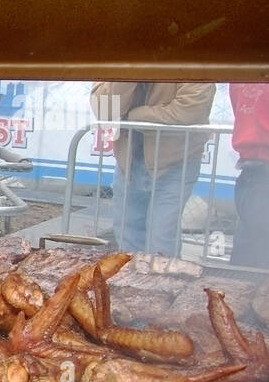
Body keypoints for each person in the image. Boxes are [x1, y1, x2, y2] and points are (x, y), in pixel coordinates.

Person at [90, 81, 216, 256]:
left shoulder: (192, 58)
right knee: (128, 235)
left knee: (161, 237)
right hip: (129, 160)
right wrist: (129, 72)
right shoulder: (119, 60)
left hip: (175, 162)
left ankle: (163, 282)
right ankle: (130, 281)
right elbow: (103, 108)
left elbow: (190, 110)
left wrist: (134, 116)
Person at [229, 83, 269, 269]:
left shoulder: (243, 75)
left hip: (254, 169)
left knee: (251, 246)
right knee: (254, 247)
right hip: (257, 170)